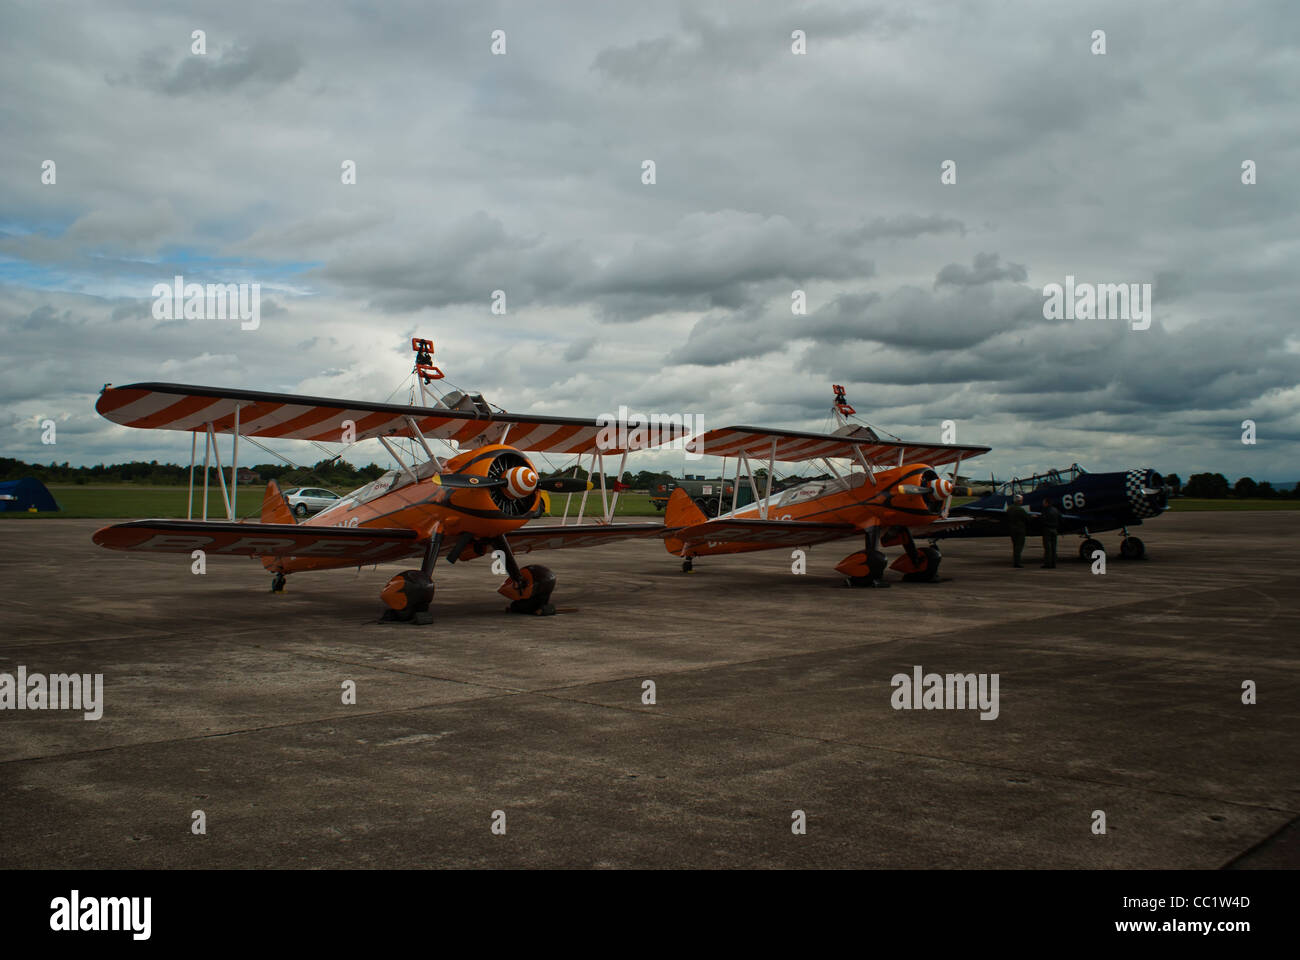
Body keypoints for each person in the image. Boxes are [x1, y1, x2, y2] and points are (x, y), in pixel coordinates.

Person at [1006, 494, 1029, 567]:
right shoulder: (1020, 509)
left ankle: (1016, 561)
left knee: (1015, 545)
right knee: (1019, 546)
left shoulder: (1009, 509)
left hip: (1012, 529)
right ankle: (1017, 562)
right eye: (1021, 501)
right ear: (1019, 501)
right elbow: (1027, 519)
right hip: (1020, 530)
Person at [1040, 496, 1061, 568]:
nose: (1043, 504)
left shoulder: (1045, 510)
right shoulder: (1056, 510)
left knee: (1047, 547)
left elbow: (1042, 520)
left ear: (1046, 503)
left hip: (1047, 530)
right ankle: (1053, 563)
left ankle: (1047, 564)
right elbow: (1060, 518)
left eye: (1044, 502)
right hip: (1054, 530)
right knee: (1054, 547)